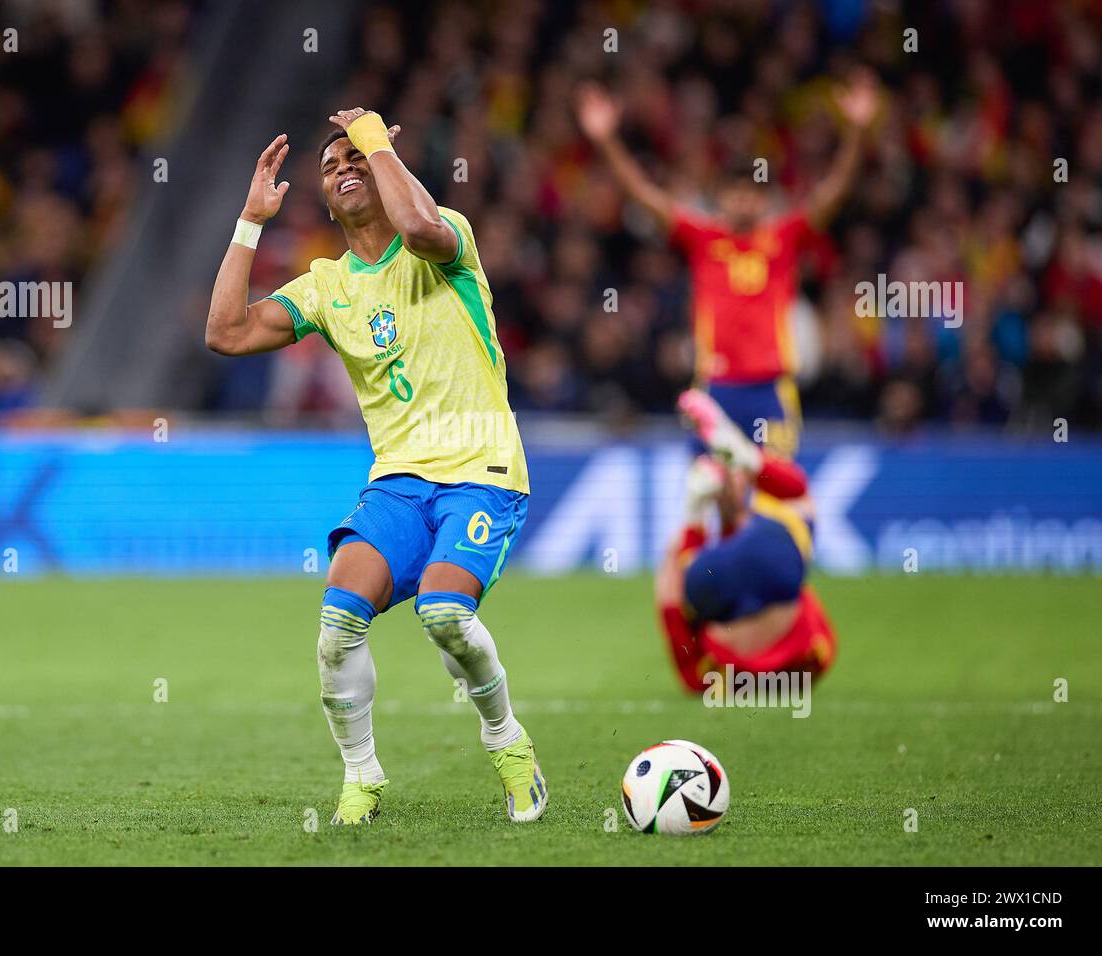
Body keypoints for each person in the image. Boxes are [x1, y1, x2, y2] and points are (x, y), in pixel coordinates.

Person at [204, 108, 546, 825]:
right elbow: (225, 333)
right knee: (336, 626)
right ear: (324, 199)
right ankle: (362, 776)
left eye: (354, 158)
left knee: (447, 615)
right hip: (399, 482)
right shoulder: (328, 286)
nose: (345, 168)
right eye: (331, 167)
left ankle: (507, 743)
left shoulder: (444, 240)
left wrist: (376, 141)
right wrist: (249, 221)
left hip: (482, 468)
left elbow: (417, 227)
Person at [576, 72, 881, 457]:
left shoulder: (784, 236)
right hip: (715, 386)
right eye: (734, 191)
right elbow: (644, 194)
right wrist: (607, 141)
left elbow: (834, 193)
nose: (743, 200)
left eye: (752, 192)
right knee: (708, 494)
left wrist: (855, 132)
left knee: (773, 495)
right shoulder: (703, 238)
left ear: (765, 199)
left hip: (770, 387)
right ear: (720, 198)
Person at [656, 389, 837, 692]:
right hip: (796, 645)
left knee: (680, 572)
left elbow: (673, 611)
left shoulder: (715, 675)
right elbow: (800, 493)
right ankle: (743, 457)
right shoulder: (812, 655)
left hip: (731, 657)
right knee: (795, 515)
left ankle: (727, 473)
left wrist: (693, 521)